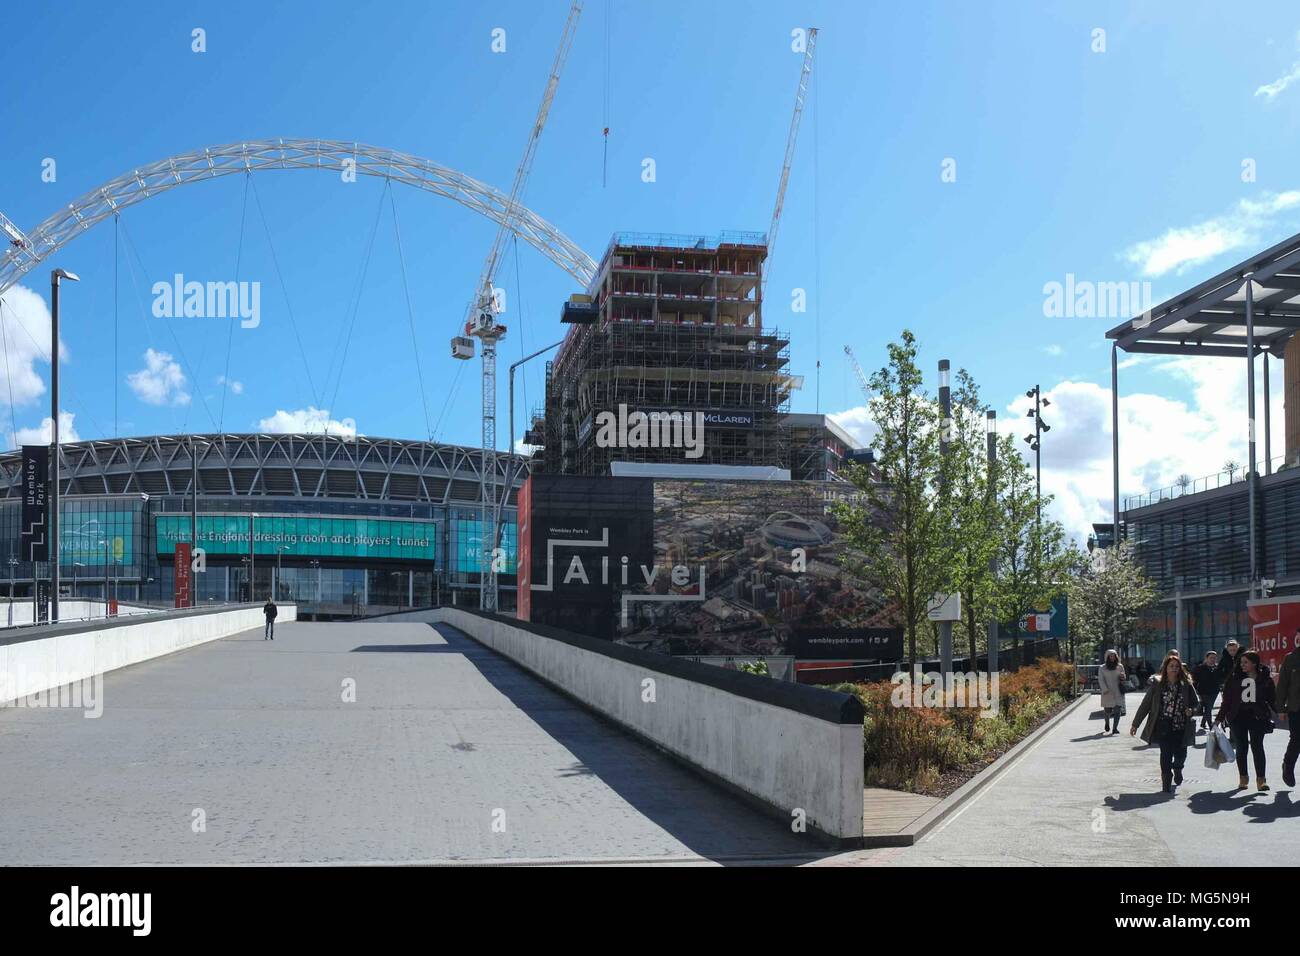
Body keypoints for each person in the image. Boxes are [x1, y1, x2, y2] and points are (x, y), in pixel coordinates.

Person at [1131, 652, 1200, 793]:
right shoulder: (1158, 684)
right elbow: (1146, 704)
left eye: (1176, 666)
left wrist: (1191, 711)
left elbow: (1196, 703)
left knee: (1181, 754)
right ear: (1165, 668)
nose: (1174, 668)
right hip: (1163, 724)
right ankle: (1166, 781)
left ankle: (1178, 768)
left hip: (1181, 725)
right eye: (1171, 666)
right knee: (1165, 753)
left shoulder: (1186, 683)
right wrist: (1135, 724)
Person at [1216, 649, 1277, 791]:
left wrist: (1280, 711)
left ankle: (1261, 780)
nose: (1242, 665)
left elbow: (1272, 699)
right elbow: (1227, 702)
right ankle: (1243, 778)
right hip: (1238, 717)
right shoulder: (1234, 678)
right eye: (1241, 662)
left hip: (1258, 717)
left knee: (1257, 747)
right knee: (1242, 748)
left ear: (1254, 663)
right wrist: (1219, 718)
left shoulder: (1265, 679)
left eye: (1245, 662)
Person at [1275, 628, 1300, 788]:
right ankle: (1288, 766)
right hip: (1296, 707)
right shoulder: (1291, 659)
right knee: (1297, 740)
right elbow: (1282, 685)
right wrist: (1281, 709)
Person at [1098, 649, 1126, 734]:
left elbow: (1124, 677)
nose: (1112, 657)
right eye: (1110, 656)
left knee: (1118, 710)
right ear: (1107, 657)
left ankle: (1115, 728)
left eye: (1114, 656)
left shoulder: (1120, 666)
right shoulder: (1102, 668)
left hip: (1118, 691)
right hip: (1107, 692)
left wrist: (1122, 676)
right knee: (1107, 710)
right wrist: (1105, 689)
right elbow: (1101, 679)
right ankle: (1107, 723)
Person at [1192, 650, 1221, 731]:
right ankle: (1211, 725)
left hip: (1214, 691)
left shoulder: (1217, 668)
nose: (1213, 660)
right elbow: (1195, 679)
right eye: (1211, 658)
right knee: (1208, 708)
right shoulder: (1200, 668)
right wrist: (1195, 690)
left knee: (1209, 707)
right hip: (1203, 691)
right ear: (1206, 658)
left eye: (1214, 658)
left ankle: (1203, 722)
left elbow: (1220, 678)